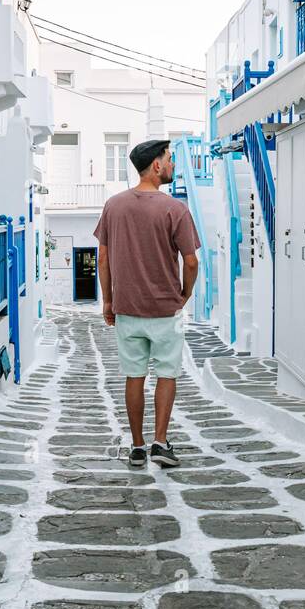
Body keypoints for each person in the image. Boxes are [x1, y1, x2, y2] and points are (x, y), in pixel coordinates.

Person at [94, 139, 200, 469]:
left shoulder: (114, 206)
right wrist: (185, 294)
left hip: (127, 309)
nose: (172, 165)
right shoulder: (175, 209)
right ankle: (160, 442)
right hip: (165, 310)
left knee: (134, 376)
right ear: (156, 165)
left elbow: (103, 258)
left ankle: (137, 446)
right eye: (168, 160)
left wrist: (109, 301)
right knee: (167, 374)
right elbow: (191, 261)